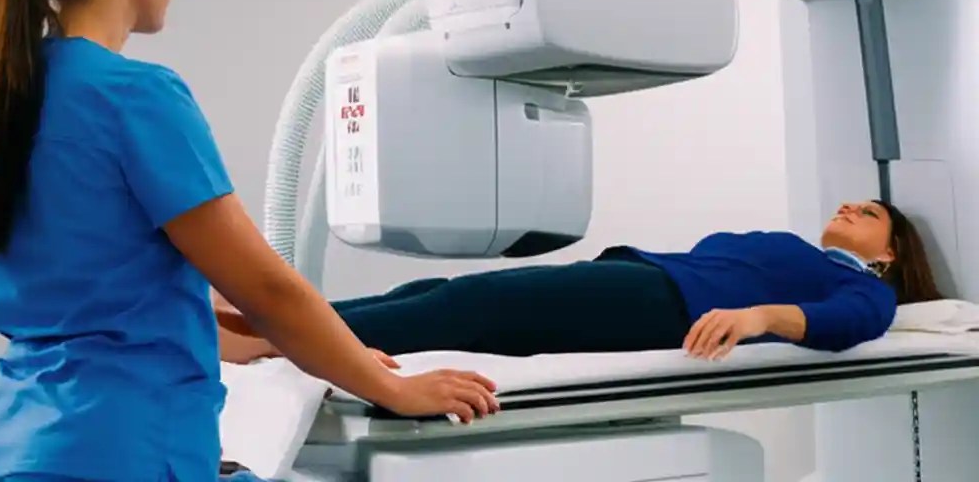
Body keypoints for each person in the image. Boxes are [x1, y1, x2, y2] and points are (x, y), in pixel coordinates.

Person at [0, 0, 499, 482]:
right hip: (121, 451)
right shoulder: (134, 94)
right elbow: (266, 289)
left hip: (14, 449)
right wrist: (390, 387)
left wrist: (281, 347)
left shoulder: (12, 92)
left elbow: (119, 301)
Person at [217, 200, 943, 364]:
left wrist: (757, 318)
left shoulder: (866, 289)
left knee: (474, 302)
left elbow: (855, 326)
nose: (849, 207)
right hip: (638, 282)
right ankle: (257, 324)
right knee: (437, 297)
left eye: (869, 211)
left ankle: (275, 340)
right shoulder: (798, 249)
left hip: (663, 305)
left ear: (888, 253)